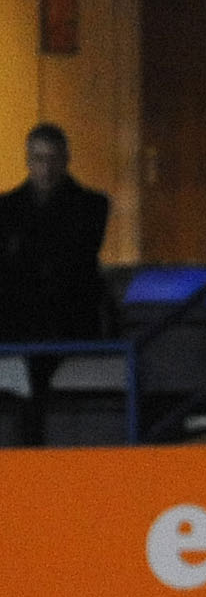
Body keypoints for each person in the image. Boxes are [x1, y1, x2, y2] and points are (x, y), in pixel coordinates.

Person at [0, 123, 111, 445]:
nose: (45, 168)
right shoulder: (7, 209)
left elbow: (75, 259)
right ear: (27, 160)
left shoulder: (90, 205)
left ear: (66, 160)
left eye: (51, 159)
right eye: (37, 159)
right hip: (18, 322)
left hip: (70, 320)